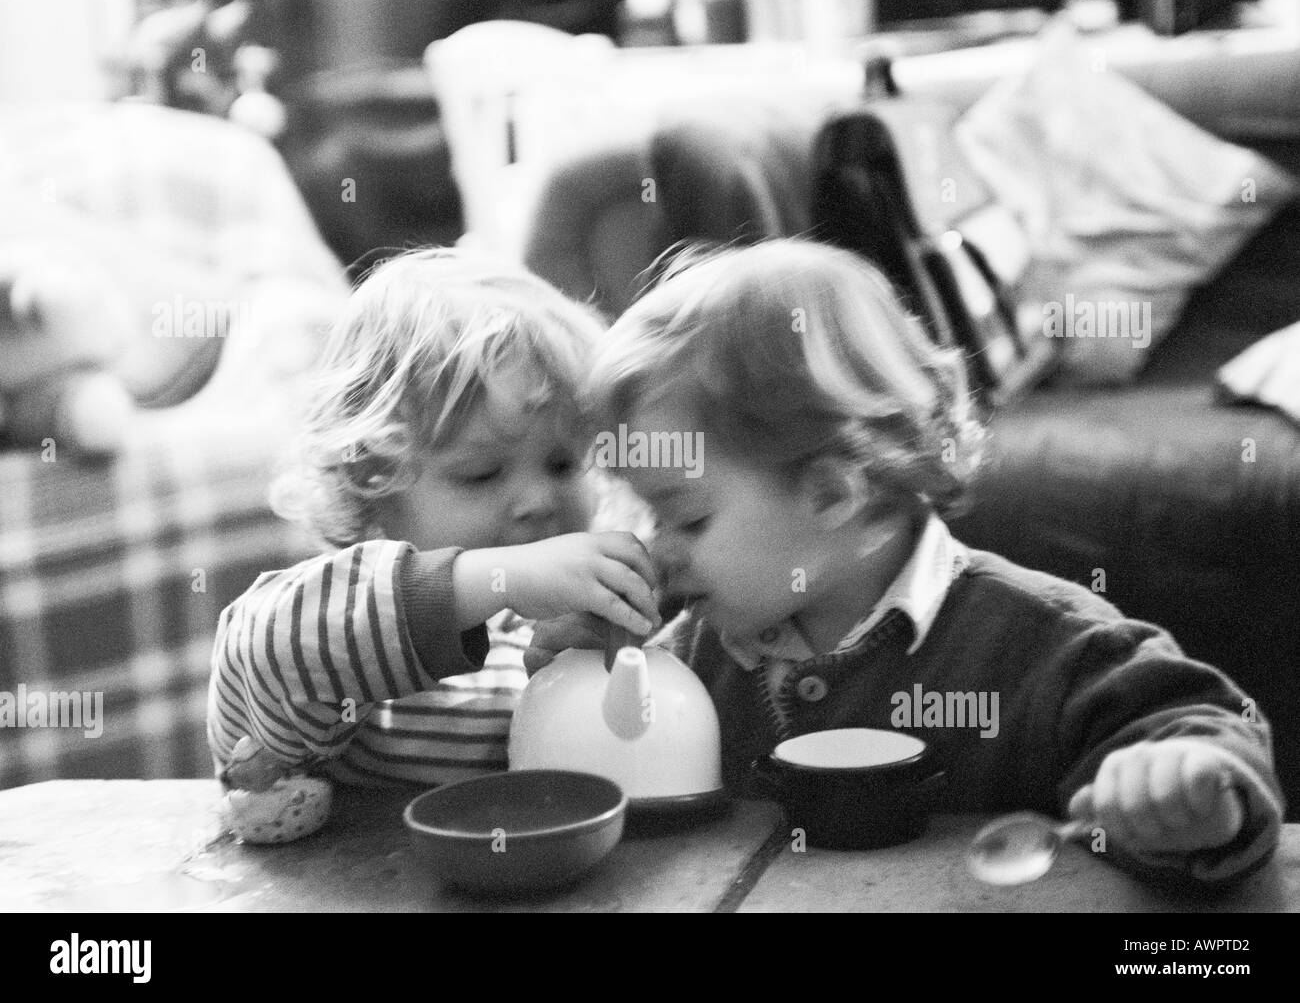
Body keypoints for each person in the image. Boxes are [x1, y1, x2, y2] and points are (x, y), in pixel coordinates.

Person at [528, 239, 1284, 885]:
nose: (654, 546)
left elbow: (1203, 730)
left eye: (684, 515)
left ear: (832, 491)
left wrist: (1188, 792)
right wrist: (579, 689)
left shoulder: (1047, 647)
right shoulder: (688, 655)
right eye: (643, 513)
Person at [208, 248, 658, 789]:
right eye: (482, 474)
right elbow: (262, 652)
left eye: (563, 464)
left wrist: (582, 677)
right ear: (373, 480)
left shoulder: (564, 630)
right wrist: (499, 578)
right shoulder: (345, 630)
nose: (539, 499)